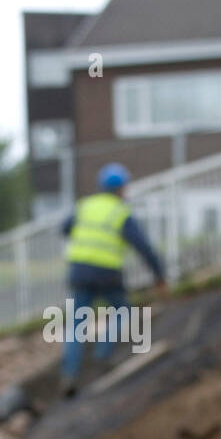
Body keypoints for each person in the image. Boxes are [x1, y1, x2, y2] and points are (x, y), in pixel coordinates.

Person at [59, 162, 167, 395]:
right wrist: (159, 275)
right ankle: (102, 354)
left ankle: (69, 374)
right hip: (107, 273)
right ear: (121, 188)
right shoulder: (120, 212)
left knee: (77, 325)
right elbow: (143, 247)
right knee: (122, 311)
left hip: (79, 272)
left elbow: (65, 228)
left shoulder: (85, 206)